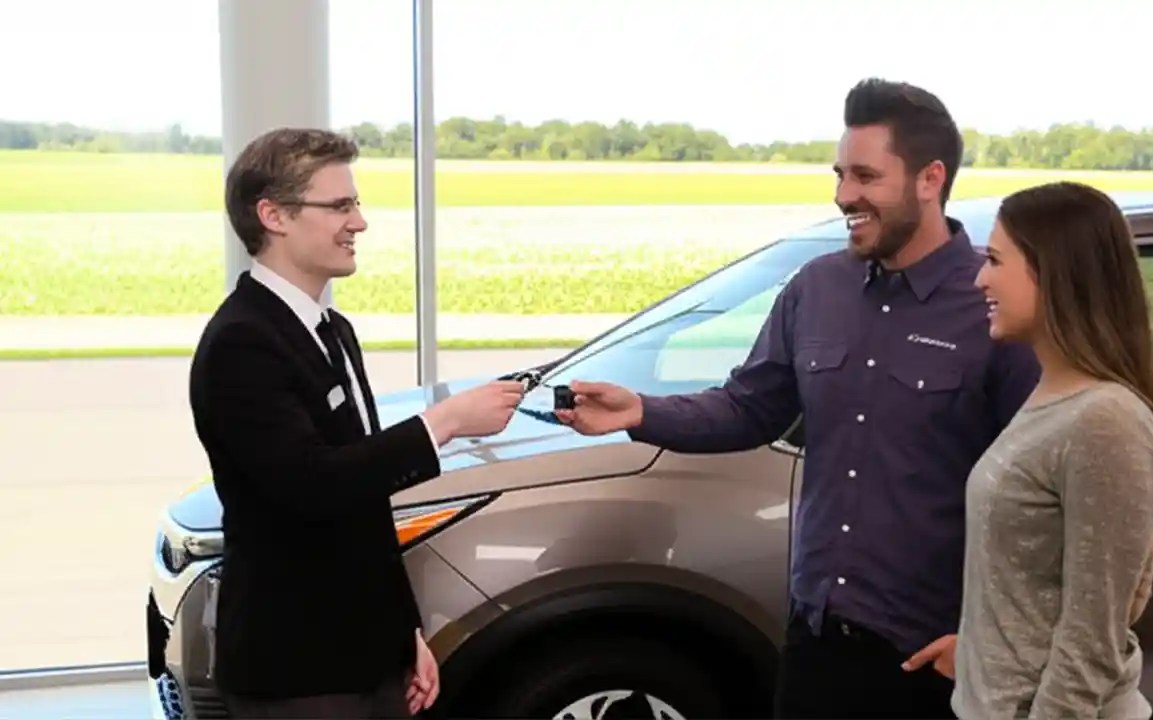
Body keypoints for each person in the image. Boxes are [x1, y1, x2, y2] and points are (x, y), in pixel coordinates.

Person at [553, 78, 1041, 719]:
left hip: (940, 658)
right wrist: (641, 412)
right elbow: (750, 407)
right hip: (817, 642)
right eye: (840, 174)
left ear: (930, 179)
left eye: (865, 176)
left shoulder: (993, 304)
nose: (844, 195)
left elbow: (1039, 497)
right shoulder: (815, 289)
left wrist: (987, 638)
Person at [188, 127, 526, 719]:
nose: (359, 223)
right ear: (273, 215)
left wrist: (405, 634)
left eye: (356, 204)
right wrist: (441, 423)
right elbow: (311, 485)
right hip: (298, 670)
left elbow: (364, 507)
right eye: (340, 205)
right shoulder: (242, 343)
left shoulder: (332, 331)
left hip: (367, 656)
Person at [951, 181, 1153, 719]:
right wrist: (976, 652)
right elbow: (1031, 579)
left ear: (1053, 273)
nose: (980, 277)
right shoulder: (1054, 395)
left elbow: (1091, 643)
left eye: (996, 260)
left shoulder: (1106, 421)